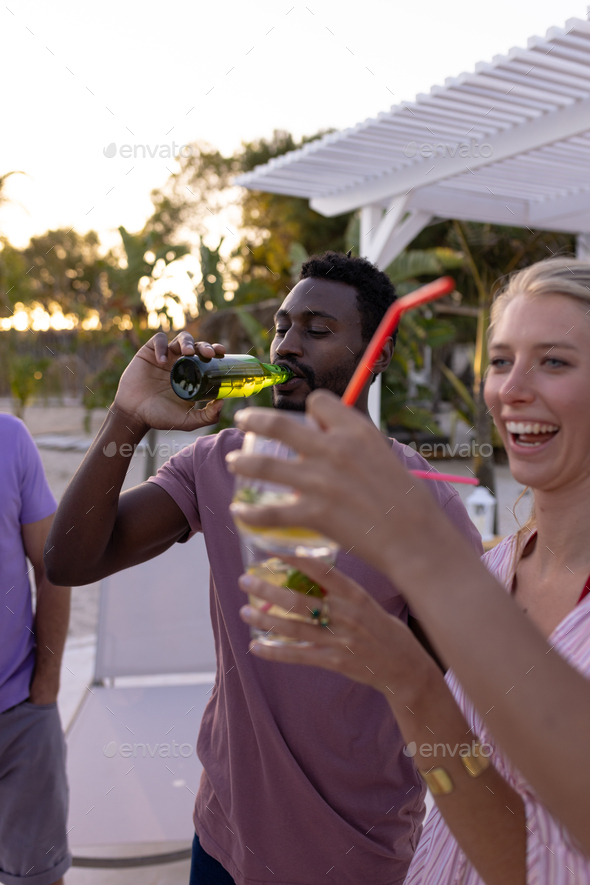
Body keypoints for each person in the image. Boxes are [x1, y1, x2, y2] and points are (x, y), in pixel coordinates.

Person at [45, 251, 482, 885]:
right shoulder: (218, 462)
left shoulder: (423, 500)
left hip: (357, 850)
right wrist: (129, 417)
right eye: (282, 326)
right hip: (224, 839)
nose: (289, 345)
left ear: (377, 354)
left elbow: (460, 680)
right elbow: (70, 559)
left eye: (318, 330)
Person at [229, 256, 590, 884]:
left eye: (554, 361)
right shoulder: (498, 568)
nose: (511, 389)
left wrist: (422, 556)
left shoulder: (460, 569)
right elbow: (465, 785)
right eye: (501, 361)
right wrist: (397, 669)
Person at [0, 414, 72, 885]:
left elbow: (52, 565)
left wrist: (44, 687)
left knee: (36, 879)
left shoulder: (10, 438)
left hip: (20, 712)